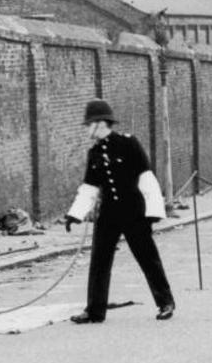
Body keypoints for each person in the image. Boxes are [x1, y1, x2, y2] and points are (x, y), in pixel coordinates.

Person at [62, 99, 175, 323]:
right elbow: (90, 187)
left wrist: (154, 210)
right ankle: (95, 311)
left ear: (99, 123)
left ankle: (165, 302)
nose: (86, 129)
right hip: (109, 214)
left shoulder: (129, 143)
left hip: (134, 211)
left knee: (147, 258)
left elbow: (146, 177)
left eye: (88, 124)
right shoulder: (94, 152)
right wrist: (75, 214)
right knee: (99, 261)